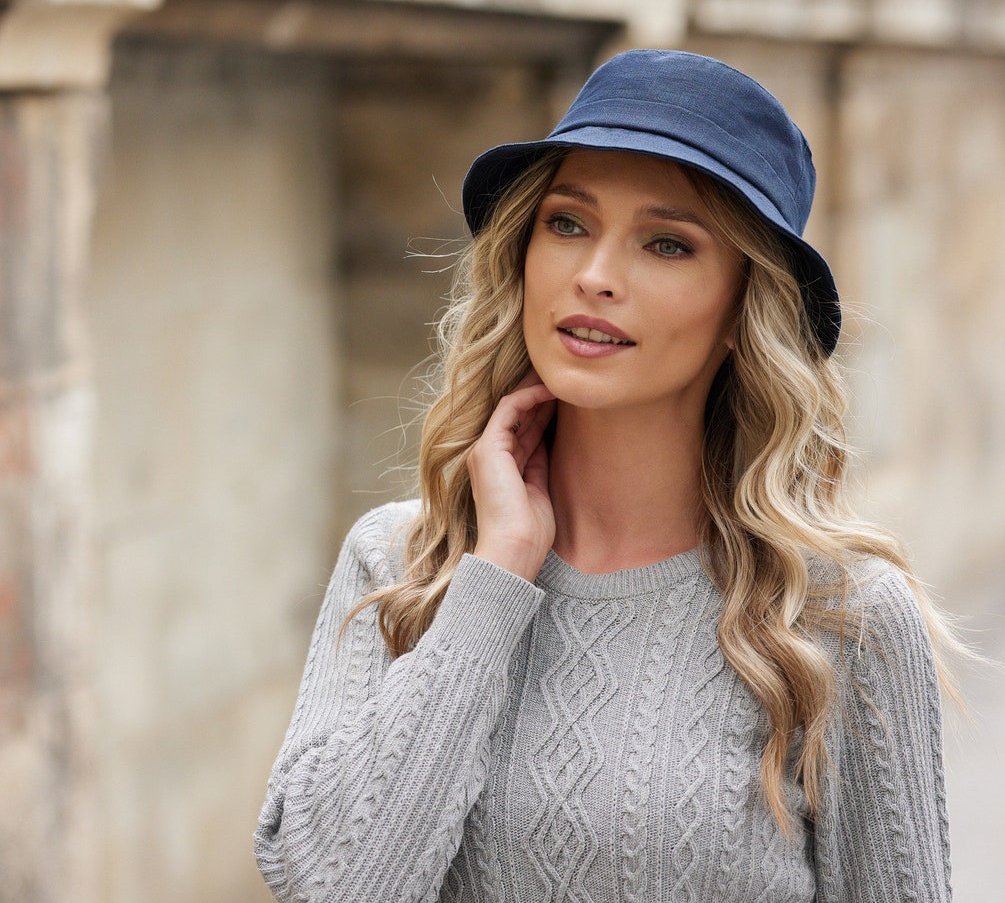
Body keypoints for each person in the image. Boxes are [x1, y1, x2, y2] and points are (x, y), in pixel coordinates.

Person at [254, 49, 959, 902]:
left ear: (742, 310)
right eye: (568, 223)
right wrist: (494, 581)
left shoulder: (837, 618)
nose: (594, 275)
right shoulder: (403, 564)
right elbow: (326, 887)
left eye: (666, 244)